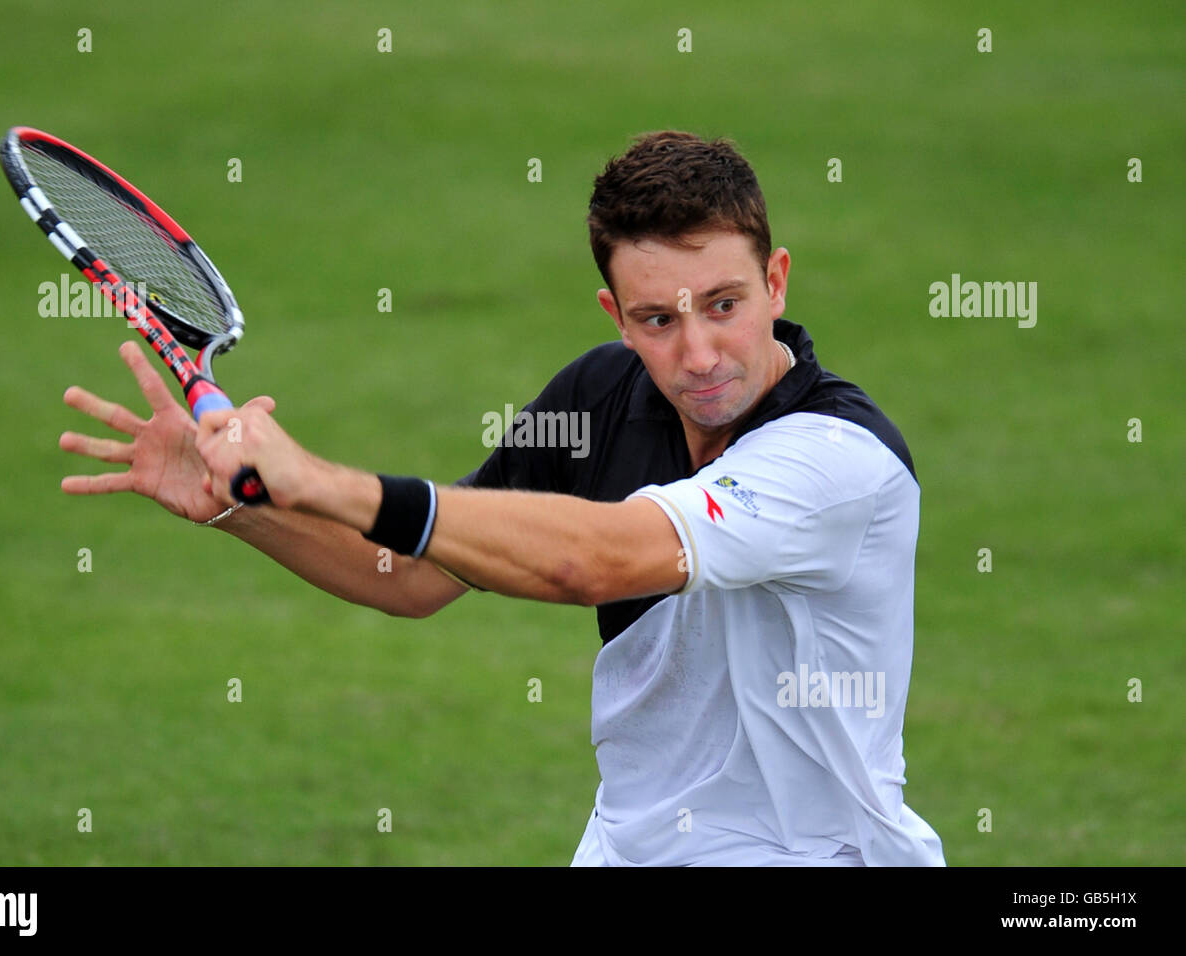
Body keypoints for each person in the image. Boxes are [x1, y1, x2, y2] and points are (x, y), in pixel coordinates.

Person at [60, 131, 945, 866]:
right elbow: (408, 574)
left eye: (724, 305)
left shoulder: (837, 461)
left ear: (777, 281)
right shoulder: (600, 398)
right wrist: (239, 504)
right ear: (616, 315)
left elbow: (592, 558)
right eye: (659, 321)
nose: (701, 354)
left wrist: (323, 480)